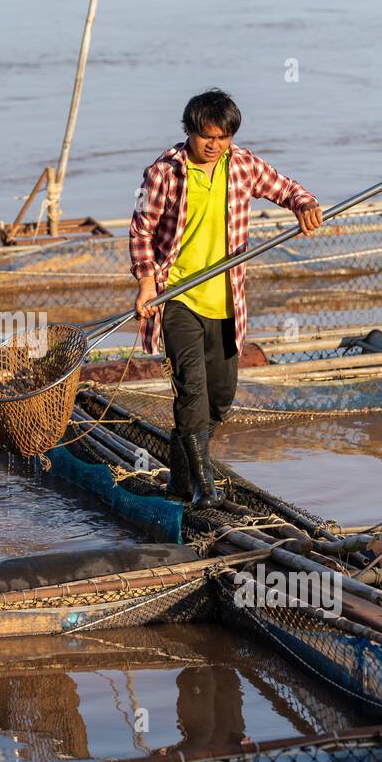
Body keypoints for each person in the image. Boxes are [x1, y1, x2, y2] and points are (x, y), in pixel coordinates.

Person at [130, 89, 323, 509]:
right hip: (177, 297)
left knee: (220, 397)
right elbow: (141, 230)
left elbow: (286, 188)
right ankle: (205, 489)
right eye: (205, 136)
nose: (213, 145)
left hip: (227, 301)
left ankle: (180, 481)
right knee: (191, 391)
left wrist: (304, 204)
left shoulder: (242, 165)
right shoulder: (164, 172)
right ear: (189, 132)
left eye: (222, 137)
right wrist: (147, 283)